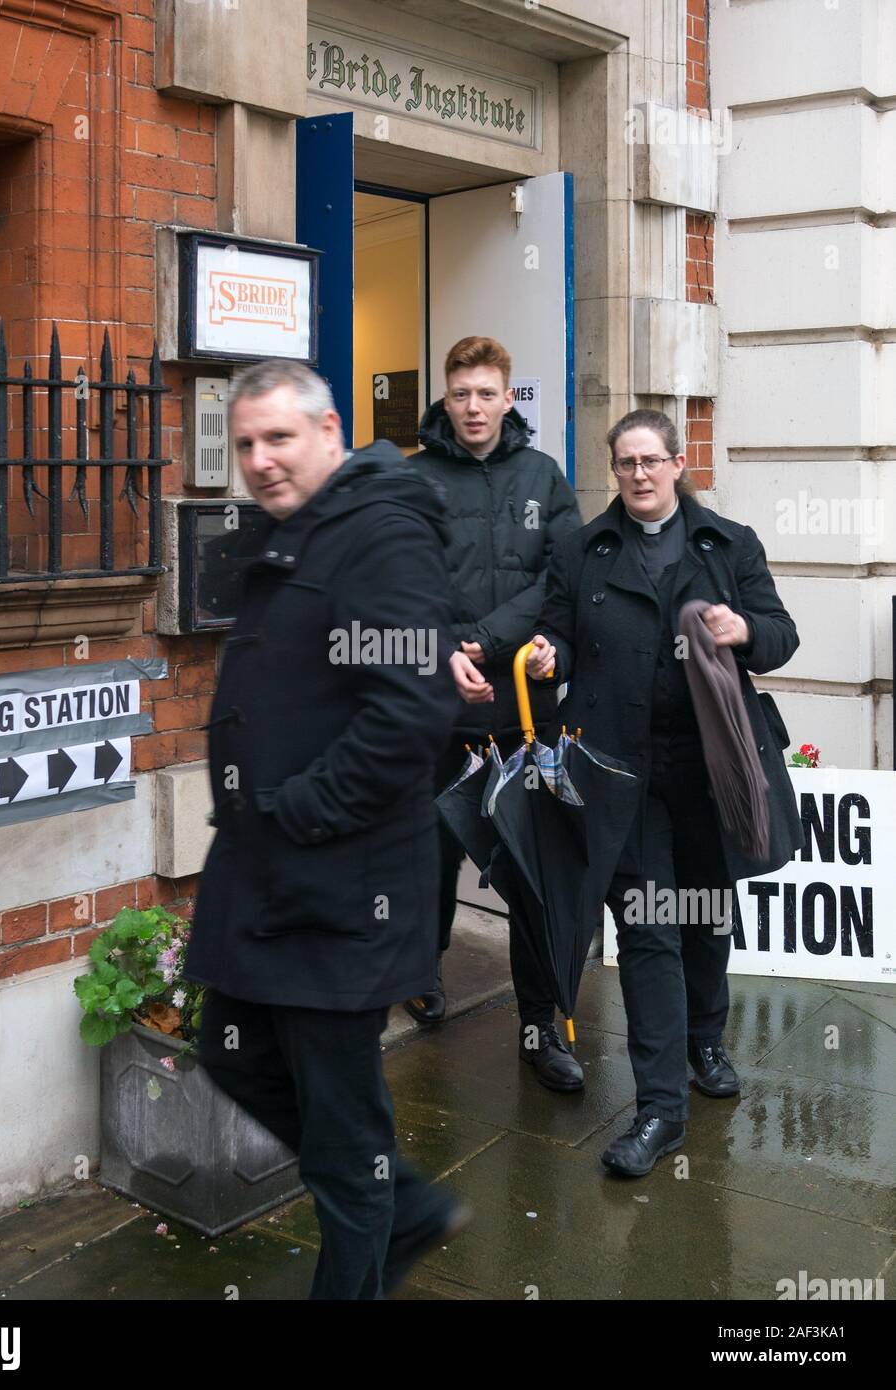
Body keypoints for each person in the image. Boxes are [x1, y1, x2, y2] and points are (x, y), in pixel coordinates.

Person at [185, 359, 467, 1298]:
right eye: (247, 443)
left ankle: (378, 1238)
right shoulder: (298, 531)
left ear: (329, 431)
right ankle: (411, 1207)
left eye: (280, 438)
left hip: (339, 889)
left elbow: (409, 711)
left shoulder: (378, 533)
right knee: (226, 1040)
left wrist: (302, 809)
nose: (261, 461)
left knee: (346, 1155)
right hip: (271, 881)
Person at [526, 408, 802, 1176]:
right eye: (625, 464)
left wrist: (743, 630)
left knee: (704, 916)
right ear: (613, 471)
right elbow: (559, 636)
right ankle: (658, 1112)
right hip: (622, 774)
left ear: (679, 464)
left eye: (651, 461)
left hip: (710, 773)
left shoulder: (728, 544)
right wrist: (548, 656)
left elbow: (781, 636)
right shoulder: (585, 550)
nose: (639, 475)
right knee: (646, 930)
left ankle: (704, 1040)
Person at [407, 335, 584, 1096]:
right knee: (428, 854)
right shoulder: (412, 478)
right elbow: (396, 582)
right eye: (460, 393)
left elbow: (564, 579)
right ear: (444, 399)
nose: (473, 407)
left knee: (529, 873)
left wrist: (488, 639)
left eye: (486, 392)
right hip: (435, 707)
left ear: (507, 396)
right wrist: (450, 649)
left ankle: (540, 1028)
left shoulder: (542, 474)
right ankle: (421, 972)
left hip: (521, 712)